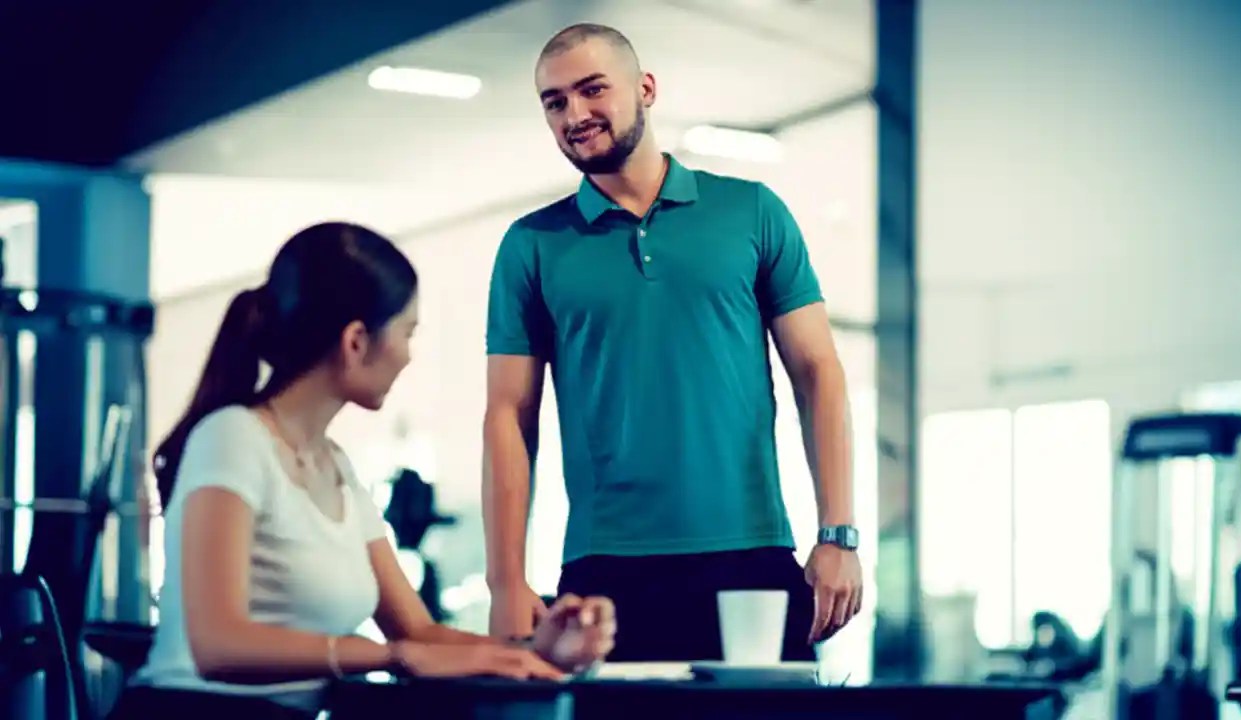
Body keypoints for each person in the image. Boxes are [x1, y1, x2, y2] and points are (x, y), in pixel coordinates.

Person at [111, 223, 614, 720]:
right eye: (406, 333)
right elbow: (217, 646)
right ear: (356, 341)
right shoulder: (232, 437)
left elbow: (417, 632)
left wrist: (537, 650)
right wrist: (391, 657)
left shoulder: (336, 468)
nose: (408, 356)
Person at [483, 23, 864, 663]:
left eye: (592, 90)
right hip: (605, 572)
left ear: (646, 89)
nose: (574, 115)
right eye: (554, 102)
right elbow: (507, 415)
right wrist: (505, 581)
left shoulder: (752, 211)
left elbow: (818, 371)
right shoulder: (531, 244)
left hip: (752, 557)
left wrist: (839, 533)